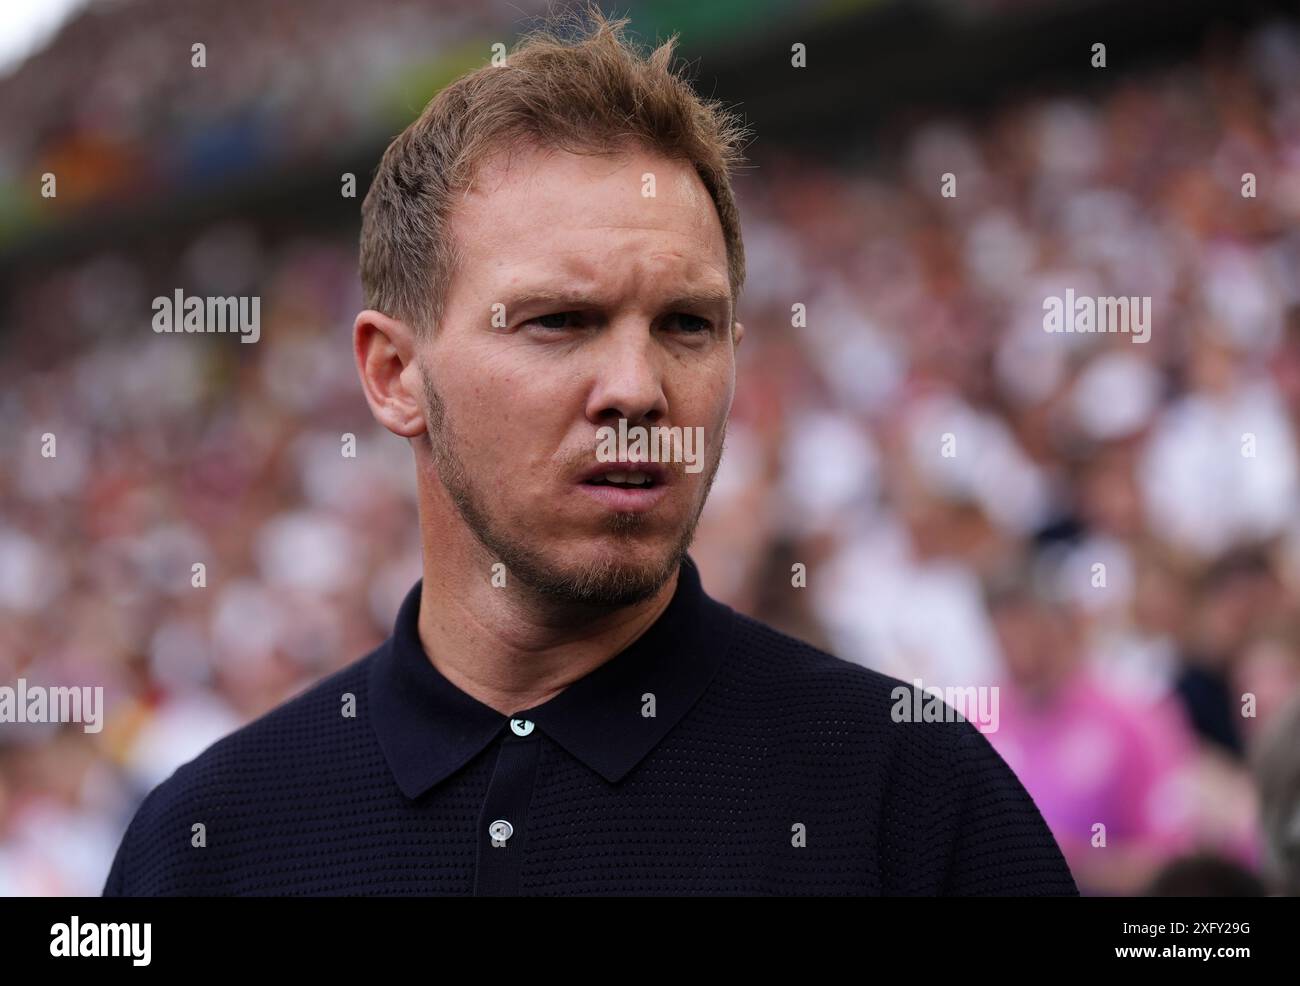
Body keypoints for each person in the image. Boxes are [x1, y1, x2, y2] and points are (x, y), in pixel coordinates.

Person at [102, 3, 1077, 896]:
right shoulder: (208, 842)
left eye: (687, 324)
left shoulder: (912, 798)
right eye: (560, 319)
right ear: (395, 375)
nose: (638, 387)